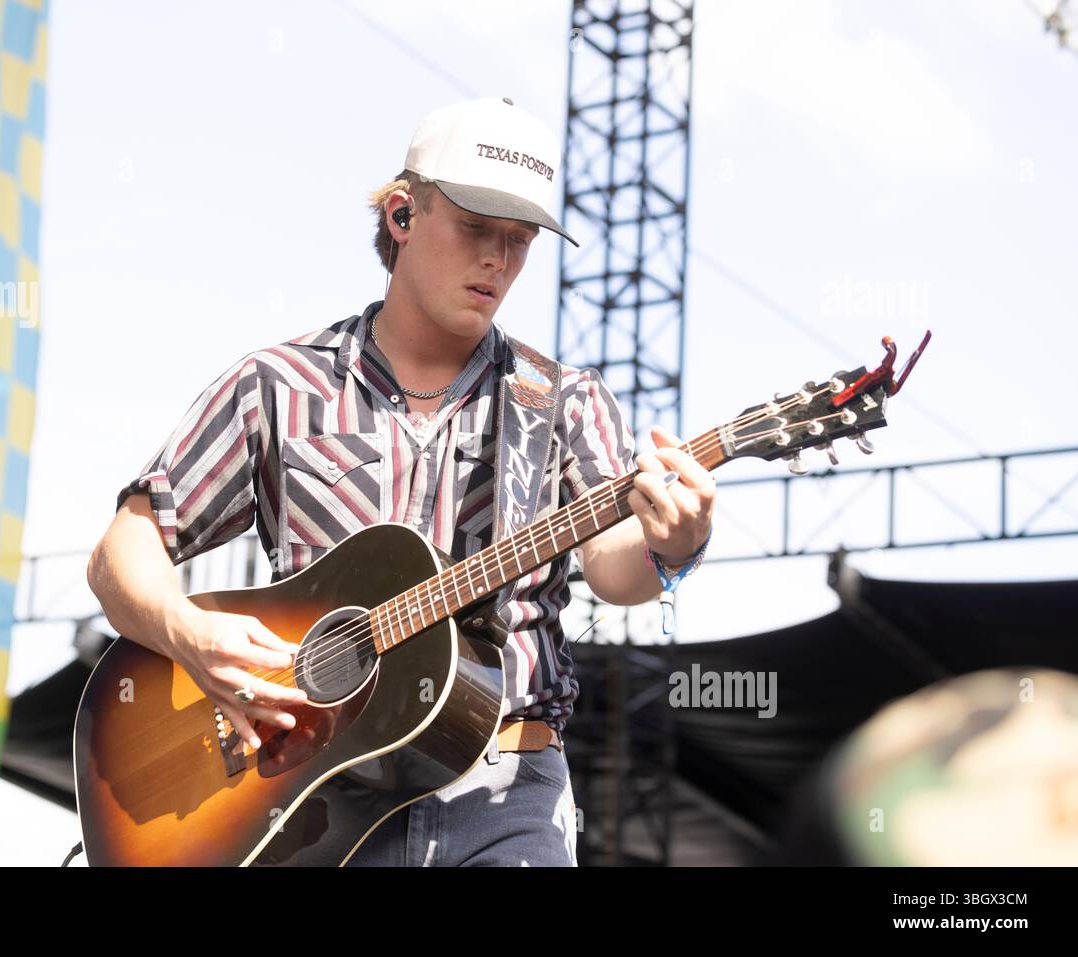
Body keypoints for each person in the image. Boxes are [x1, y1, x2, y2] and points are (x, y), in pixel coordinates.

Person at [86, 97, 716, 866]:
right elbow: (123, 550)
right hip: (310, 794)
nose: (499, 259)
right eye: (477, 227)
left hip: (508, 790)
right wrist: (186, 633)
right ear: (401, 213)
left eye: (519, 242)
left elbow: (615, 566)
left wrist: (672, 543)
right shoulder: (277, 384)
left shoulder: (563, 403)